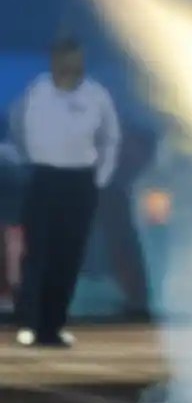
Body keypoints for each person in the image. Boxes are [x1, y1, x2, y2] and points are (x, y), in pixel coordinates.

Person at [9, 35, 120, 347]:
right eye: (62, 58)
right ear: (53, 60)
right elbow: (17, 126)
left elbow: (110, 138)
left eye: (73, 58)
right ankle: (31, 324)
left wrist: (100, 178)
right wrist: (28, 159)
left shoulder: (96, 95)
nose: (67, 65)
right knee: (38, 254)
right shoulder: (37, 91)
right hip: (45, 179)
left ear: (80, 61)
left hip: (80, 182)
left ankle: (53, 326)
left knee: (68, 257)